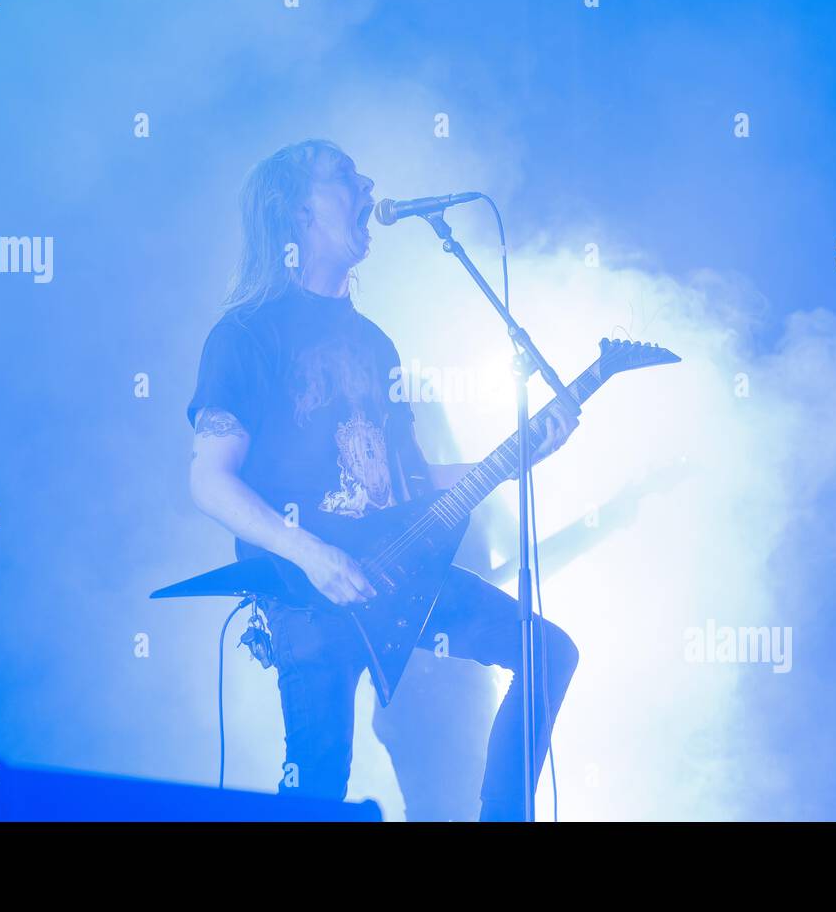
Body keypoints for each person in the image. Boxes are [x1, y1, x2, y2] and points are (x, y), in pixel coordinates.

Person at [187, 139, 579, 821]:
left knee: (546, 651)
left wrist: (522, 453)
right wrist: (313, 554)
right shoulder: (246, 335)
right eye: (343, 176)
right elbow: (209, 481)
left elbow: (409, 481)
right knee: (316, 792)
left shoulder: (376, 345)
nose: (367, 184)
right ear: (298, 211)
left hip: (395, 576)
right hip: (307, 596)